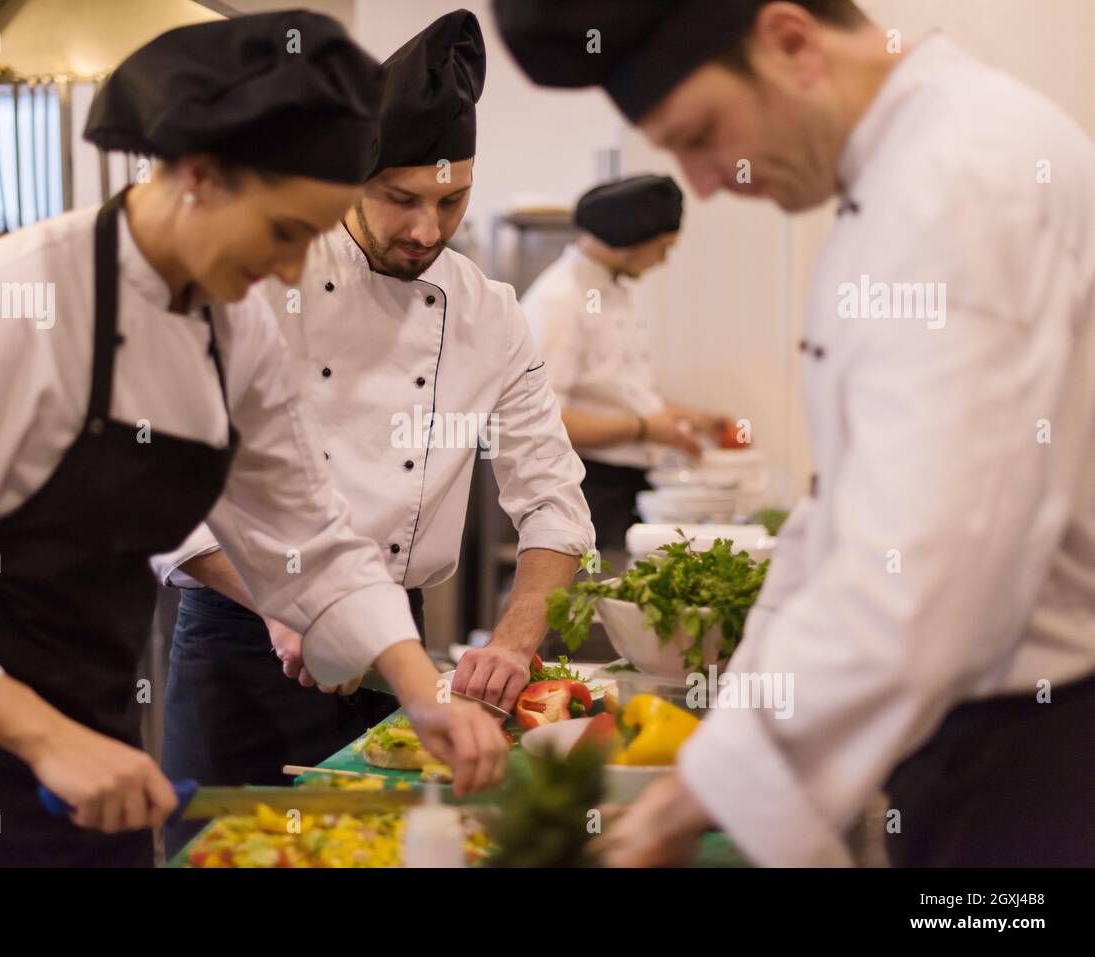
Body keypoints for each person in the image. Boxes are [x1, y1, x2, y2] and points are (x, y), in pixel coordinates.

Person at [0, 13, 506, 867]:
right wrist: (43, 736)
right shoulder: (16, 302)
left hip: (99, 745)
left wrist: (420, 693)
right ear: (199, 175)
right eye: (283, 233)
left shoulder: (230, 327)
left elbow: (308, 538)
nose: (290, 271)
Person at [498, 0, 1095, 866]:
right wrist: (721, 746)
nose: (700, 182)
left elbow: (921, 570)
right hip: (983, 735)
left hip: (1027, 752)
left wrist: (696, 795)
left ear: (790, 42)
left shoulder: (957, 181)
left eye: (700, 134)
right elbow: (840, 520)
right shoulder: (908, 173)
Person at [152, 9, 594, 851]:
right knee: (228, 855)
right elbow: (172, 494)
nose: (427, 230)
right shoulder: (267, 274)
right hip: (248, 641)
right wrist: (292, 603)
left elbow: (553, 498)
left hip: (398, 651)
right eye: (400, 200)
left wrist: (517, 631)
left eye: (451, 200)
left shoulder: (488, 313)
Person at [523, 174, 731, 555]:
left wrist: (689, 417)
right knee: (593, 605)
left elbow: (616, 391)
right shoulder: (559, 299)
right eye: (663, 248)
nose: (664, 261)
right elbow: (542, 420)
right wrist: (644, 429)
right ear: (627, 243)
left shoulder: (614, 289)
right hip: (588, 489)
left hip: (627, 488)